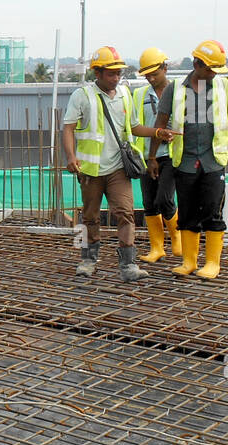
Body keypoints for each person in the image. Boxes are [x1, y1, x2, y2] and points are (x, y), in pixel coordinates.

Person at [61, 45, 173, 282]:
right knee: (90, 216)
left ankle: (128, 265)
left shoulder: (124, 94)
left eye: (118, 73)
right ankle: (88, 259)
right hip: (90, 169)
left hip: (118, 168)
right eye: (111, 73)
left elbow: (133, 127)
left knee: (125, 213)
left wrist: (157, 132)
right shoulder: (82, 96)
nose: (116, 78)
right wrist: (71, 157)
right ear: (98, 73)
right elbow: (68, 128)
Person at [151, 40, 228, 279]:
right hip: (186, 160)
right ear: (196, 64)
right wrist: (152, 156)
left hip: (214, 160)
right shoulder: (176, 89)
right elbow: (159, 124)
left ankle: (212, 263)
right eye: (209, 69)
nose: (213, 74)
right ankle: (189, 261)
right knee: (188, 211)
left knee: (213, 209)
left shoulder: (225, 87)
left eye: (215, 70)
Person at [134, 47, 180, 262]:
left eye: (155, 73)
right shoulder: (140, 95)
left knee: (164, 199)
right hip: (147, 155)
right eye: (147, 75)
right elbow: (134, 125)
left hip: (171, 155)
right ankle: (157, 248)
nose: (151, 79)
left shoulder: (180, 93)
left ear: (165, 68)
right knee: (150, 202)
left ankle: (177, 240)